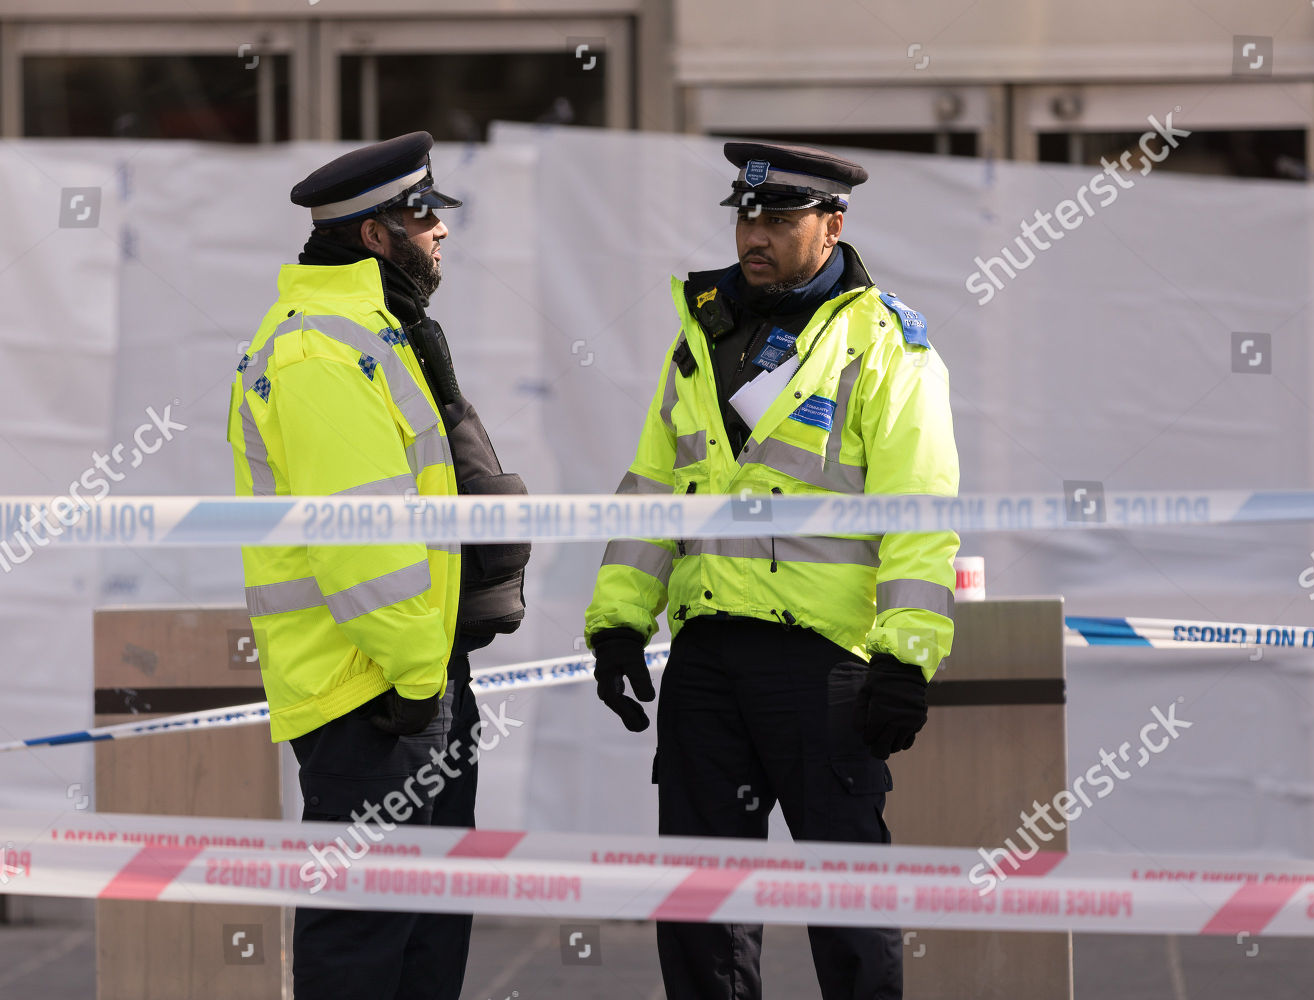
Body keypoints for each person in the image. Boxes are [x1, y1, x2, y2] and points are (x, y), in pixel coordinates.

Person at [584, 141, 960, 1000]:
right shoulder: (702, 329)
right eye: (746, 216)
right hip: (708, 657)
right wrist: (616, 623)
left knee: (849, 904)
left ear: (832, 225)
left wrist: (907, 656)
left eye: (779, 219)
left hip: (821, 663)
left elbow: (919, 508)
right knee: (700, 910)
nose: (755, 235)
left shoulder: (884, 344)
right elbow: (652, 488)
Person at [227, 131, 529, 1000]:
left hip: (412, 679)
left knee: (424, 949)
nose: (440, 232)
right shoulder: (324, 347)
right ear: (373, 234)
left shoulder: (379, 332)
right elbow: (361, 535)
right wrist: (413, 674)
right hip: (375, 693)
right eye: (423, 215)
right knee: (364, 946)